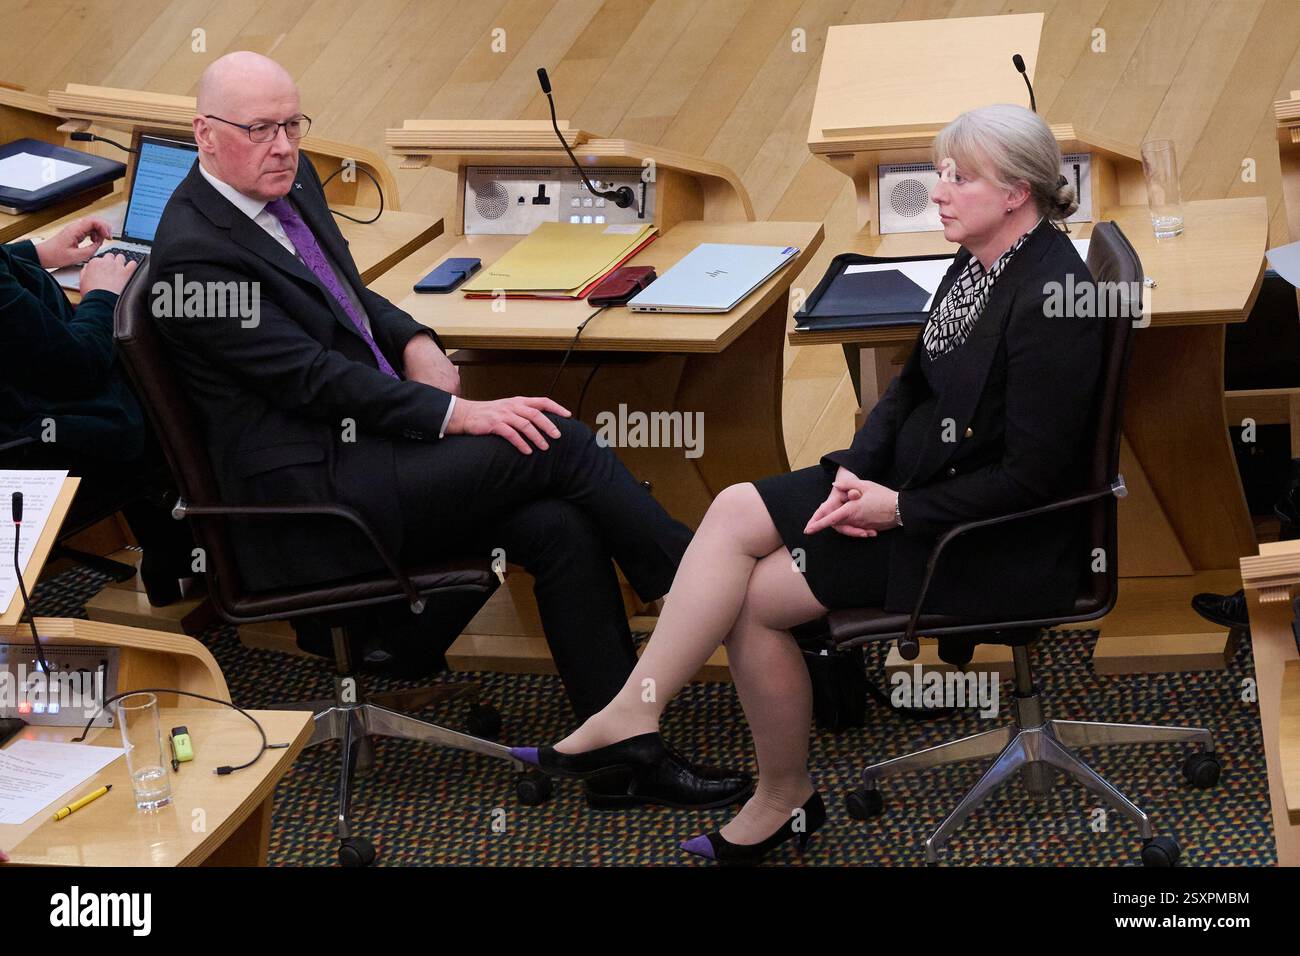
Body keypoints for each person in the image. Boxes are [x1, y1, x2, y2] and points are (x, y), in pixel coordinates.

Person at [147, 52, 749, 810]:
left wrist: (414, 338)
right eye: (261, 129)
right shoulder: (190, 262)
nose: (284, 146)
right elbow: (310, 378)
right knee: (553, 439)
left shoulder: (286, 182)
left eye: (293, 125)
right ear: (205, 135)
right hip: (310, 497)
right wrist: (459, 415)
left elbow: (346, 295)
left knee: (557, 523)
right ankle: (723, 600)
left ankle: (622, 755)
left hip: (368, 456)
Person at [513, 103, 1107, 863]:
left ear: (1017, 191)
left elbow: (1035, 478)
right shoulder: (983, 257)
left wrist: (898, 510)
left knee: (757, 602)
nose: (938, 189)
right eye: (941, 172)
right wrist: (857, 466)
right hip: (908, 485)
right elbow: (912, 386)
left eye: (960, 177)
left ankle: (779, 794)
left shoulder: (1050, 300)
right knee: (734, 509)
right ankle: (636, 714)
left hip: (982, 534)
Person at [0, 218, 192, 605]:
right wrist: (102, 295)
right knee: (160, 396)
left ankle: (175, 564)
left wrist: (37, 254)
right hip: (28, 455)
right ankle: (188, 565)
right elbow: (77, 367)